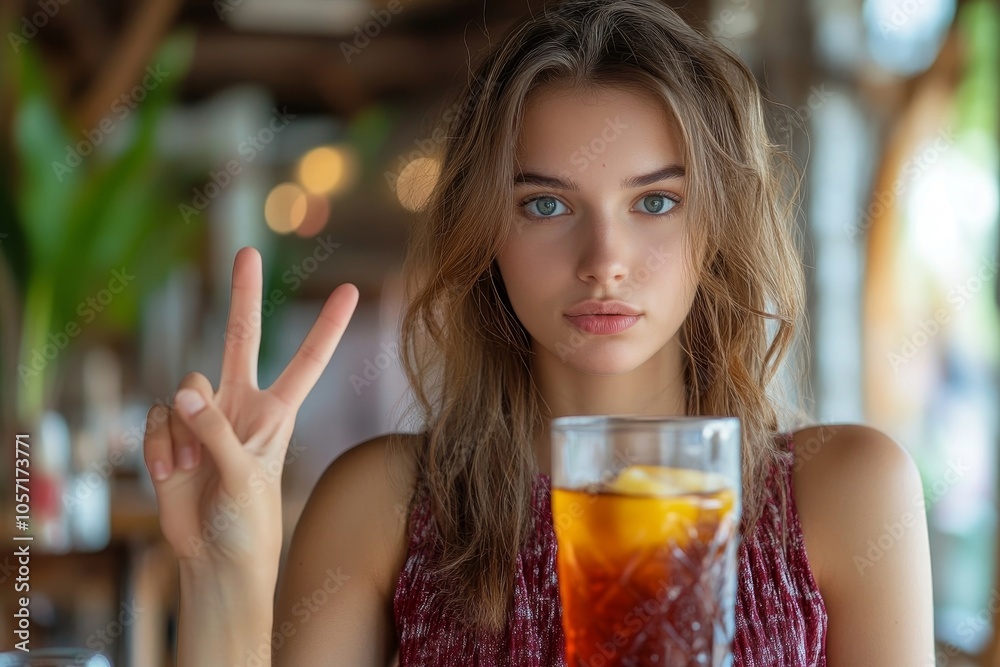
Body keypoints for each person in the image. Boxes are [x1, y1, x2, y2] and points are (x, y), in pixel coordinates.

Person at [142, 0, 935, 664]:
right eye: (546, 204)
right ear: (488, 231)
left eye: (656, 201)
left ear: (717, 227)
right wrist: (222, 572)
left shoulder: (849, 492)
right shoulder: (381, 506)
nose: (604, 262)